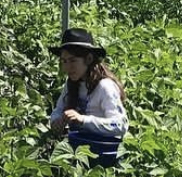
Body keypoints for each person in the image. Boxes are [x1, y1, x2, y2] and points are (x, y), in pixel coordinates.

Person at [48, 28, 129, 168]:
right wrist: (56, 121)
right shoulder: (71, 85)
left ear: (89, 59)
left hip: (103, 156)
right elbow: (58, 110)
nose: (67, 67)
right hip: (78, 152)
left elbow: (120, 125)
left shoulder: (104, 87)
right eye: (64, 61)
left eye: (72, 60)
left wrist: (83, 120)